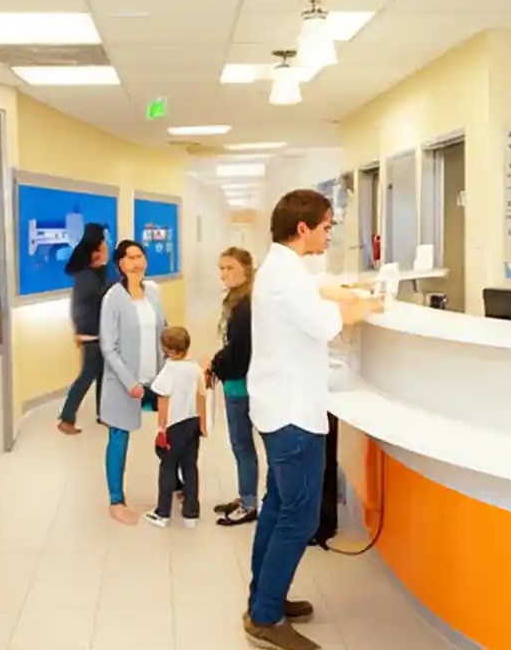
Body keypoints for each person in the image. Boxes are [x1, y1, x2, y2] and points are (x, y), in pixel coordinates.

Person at [243, 189, 384, 650]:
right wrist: (368, 306)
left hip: (280, 405)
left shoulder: (284, 268)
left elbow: (319, 298)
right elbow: (329, 323)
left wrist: (346, 298)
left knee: (280, 507)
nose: (329, 234)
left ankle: (265, 600)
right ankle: (265, 616)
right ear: (302, 228)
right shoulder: (284, 276)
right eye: (326, 226)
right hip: (291, 413)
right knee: (297, 519)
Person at [99, 239, 167, 526]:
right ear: (120, 264)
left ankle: (174, 486)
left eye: (140, 256)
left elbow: (163, 331)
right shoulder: (113, 298)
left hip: (157, 377)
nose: (137, 262)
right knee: (119, 437)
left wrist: (172, 369)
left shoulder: (153, 292)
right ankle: (116, 499)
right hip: (125, 382)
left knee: (172, 428)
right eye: (130, 258)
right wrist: (129, 382)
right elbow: (108, 346)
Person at [207, 247, 258, 527]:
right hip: (239, 382)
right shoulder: (237, 301)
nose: (224, 274)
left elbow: (240, 352)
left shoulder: (245, 306)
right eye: (222, 268)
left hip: (241, 384)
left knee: (242, 444)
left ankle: (249, 503)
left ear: (246, 270)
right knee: (241, 445)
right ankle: (245, 496)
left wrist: (216, 365)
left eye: (230, 268)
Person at [144, 326, 207, 529]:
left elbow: (163, 400)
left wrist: (161, 428)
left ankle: (162, 513)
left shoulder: (169, 371)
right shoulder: (195, 368)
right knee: (190, 466)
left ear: (168, 351)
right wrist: (203, 424)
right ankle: (191, 513)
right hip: (193, 423)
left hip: (174, 425)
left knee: (168, 467)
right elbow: (201, 396)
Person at [57, 223, 112, 435]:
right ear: (96, 250)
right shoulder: (87, 277)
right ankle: (66, 417)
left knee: (102, 374)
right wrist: (80, 333)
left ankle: (104, 413)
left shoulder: (94, 273)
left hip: (97, 333)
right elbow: (92, 302)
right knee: (87, 375)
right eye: (104, 244)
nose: (107, 247)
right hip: (92, 334)